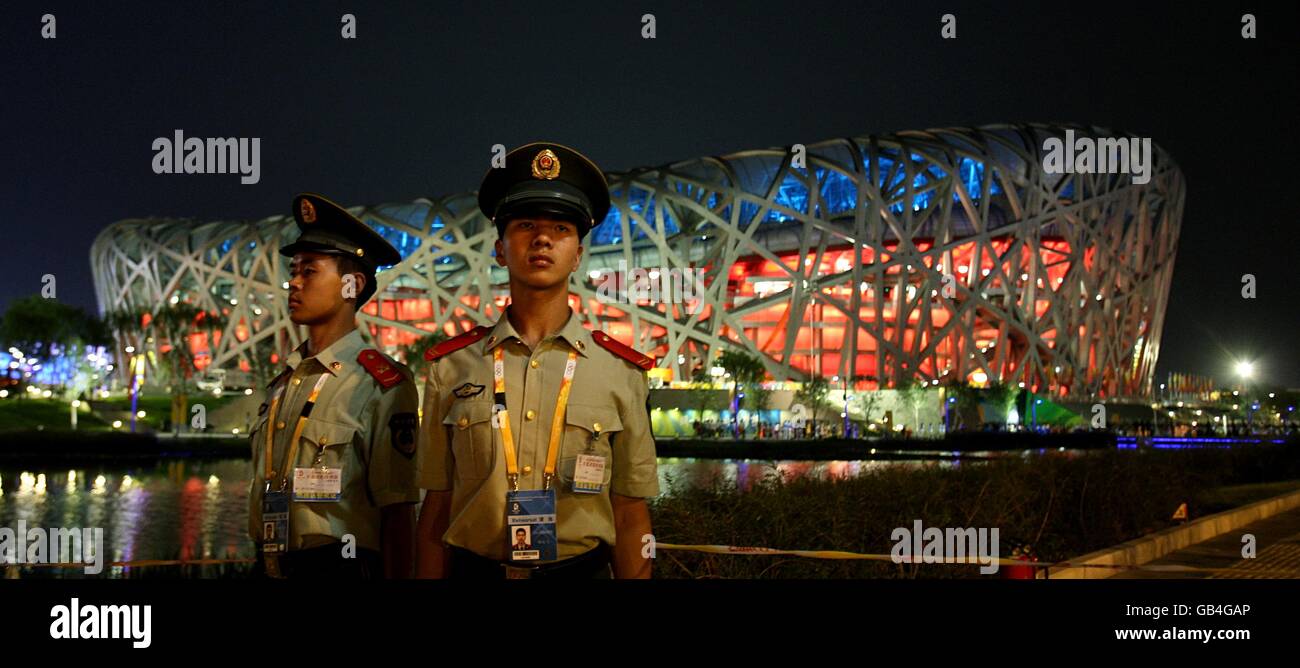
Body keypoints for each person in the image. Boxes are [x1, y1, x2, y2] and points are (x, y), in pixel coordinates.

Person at [415, 142, 659, 579]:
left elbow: (629, 512)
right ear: (500, 249)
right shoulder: (449, 369)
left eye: (561, 228)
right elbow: (436, 506)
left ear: (579, 254)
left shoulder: (620, 372)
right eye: (525, 225)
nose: (543, 238)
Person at [247, 193, 419, 579]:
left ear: (351, 286)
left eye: (309, 271)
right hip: (268, 564)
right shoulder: (285, 382)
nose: (292, 282)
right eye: (293, 270)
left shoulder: (381, 385)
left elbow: (398, 512)